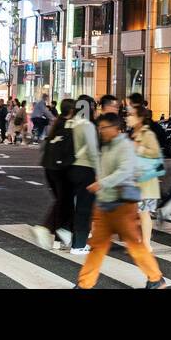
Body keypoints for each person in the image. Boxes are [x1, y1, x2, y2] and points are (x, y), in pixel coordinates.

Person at [75, 113, 170, 289]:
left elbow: (125, 171)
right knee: (97, 247)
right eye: (100, 127)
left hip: (122, 205)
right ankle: (84, 284)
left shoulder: (125, 146)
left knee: (134, 245)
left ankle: (156, 278)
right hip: (104, 205)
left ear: (116, 128)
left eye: (104, 127)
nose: (100, 131)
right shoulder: (106, 146)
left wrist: (101, 183)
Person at [34, 99, 77, 250]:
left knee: (61, 200)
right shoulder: (70, 125)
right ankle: (50, 228)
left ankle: (59, 235)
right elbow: (71, 150)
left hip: (49, 167)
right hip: (61, 168)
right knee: (64, 201)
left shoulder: (57, 124)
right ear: (72, 111)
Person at [127, 105, 165, 249]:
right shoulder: (133, 133)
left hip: (145, 181)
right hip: (135, 180)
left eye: (131, 115)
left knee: (143, 213)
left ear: (140, 118)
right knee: (136, 212)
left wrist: (138, 148)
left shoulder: (147, 134)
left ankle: (146, 243)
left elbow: (156, 153)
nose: (127, 117)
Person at [68, 95, 100, 254]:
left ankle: (69, 240)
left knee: (71, 207)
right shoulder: (87, 125)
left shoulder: (71, 123)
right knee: (84, 208)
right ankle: (79, 245)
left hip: (70, 169)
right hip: (85, 169)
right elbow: (93, 153)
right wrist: (99, 174)